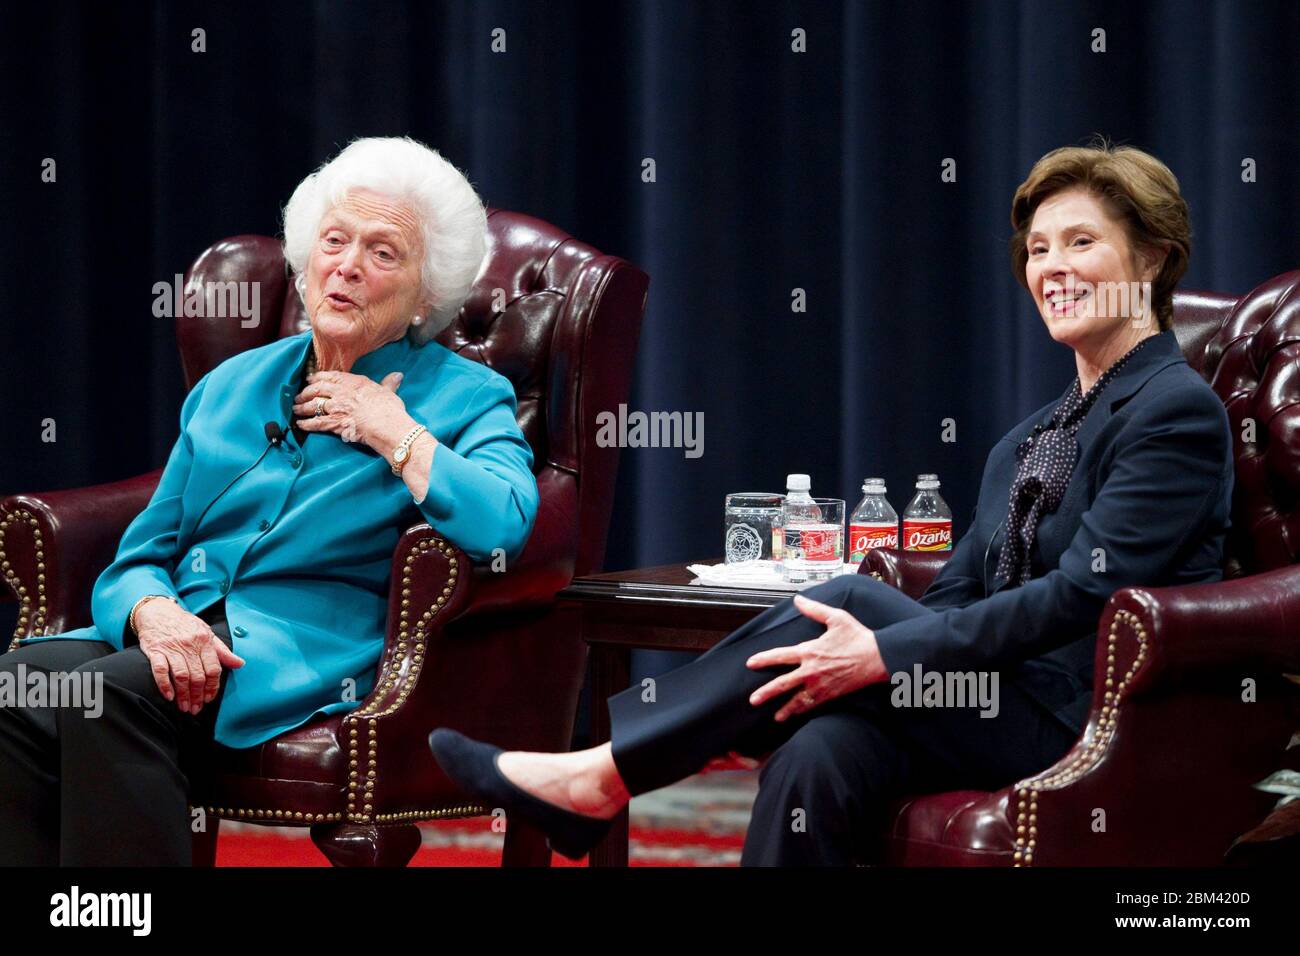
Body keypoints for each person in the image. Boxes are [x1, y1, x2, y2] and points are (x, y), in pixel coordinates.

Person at [429, 139, 1235, 865]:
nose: (1052, 267)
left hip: (1091, 723)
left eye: (1082, 243)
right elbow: (956, 592)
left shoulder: (1174, 410)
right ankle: (602, 778)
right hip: (987, 701)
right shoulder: (1027, 439)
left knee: (845, 598)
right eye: (1038, 249)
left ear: (1153, 261)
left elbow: (1090, 592)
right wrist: (879, 650)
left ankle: (599, 775)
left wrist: (884, 651)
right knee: (823, 754)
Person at [0, 136, 540, 865]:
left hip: (299, 651)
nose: (347, 265)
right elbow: (143, 554)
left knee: (114, 695)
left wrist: (396, 433)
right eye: (335, 241)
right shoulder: (232, 385)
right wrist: (149, 611)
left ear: (427, 294)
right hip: (184, 625)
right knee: (16, 686)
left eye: (383, 253)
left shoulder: (466, 397)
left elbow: (504, 521)